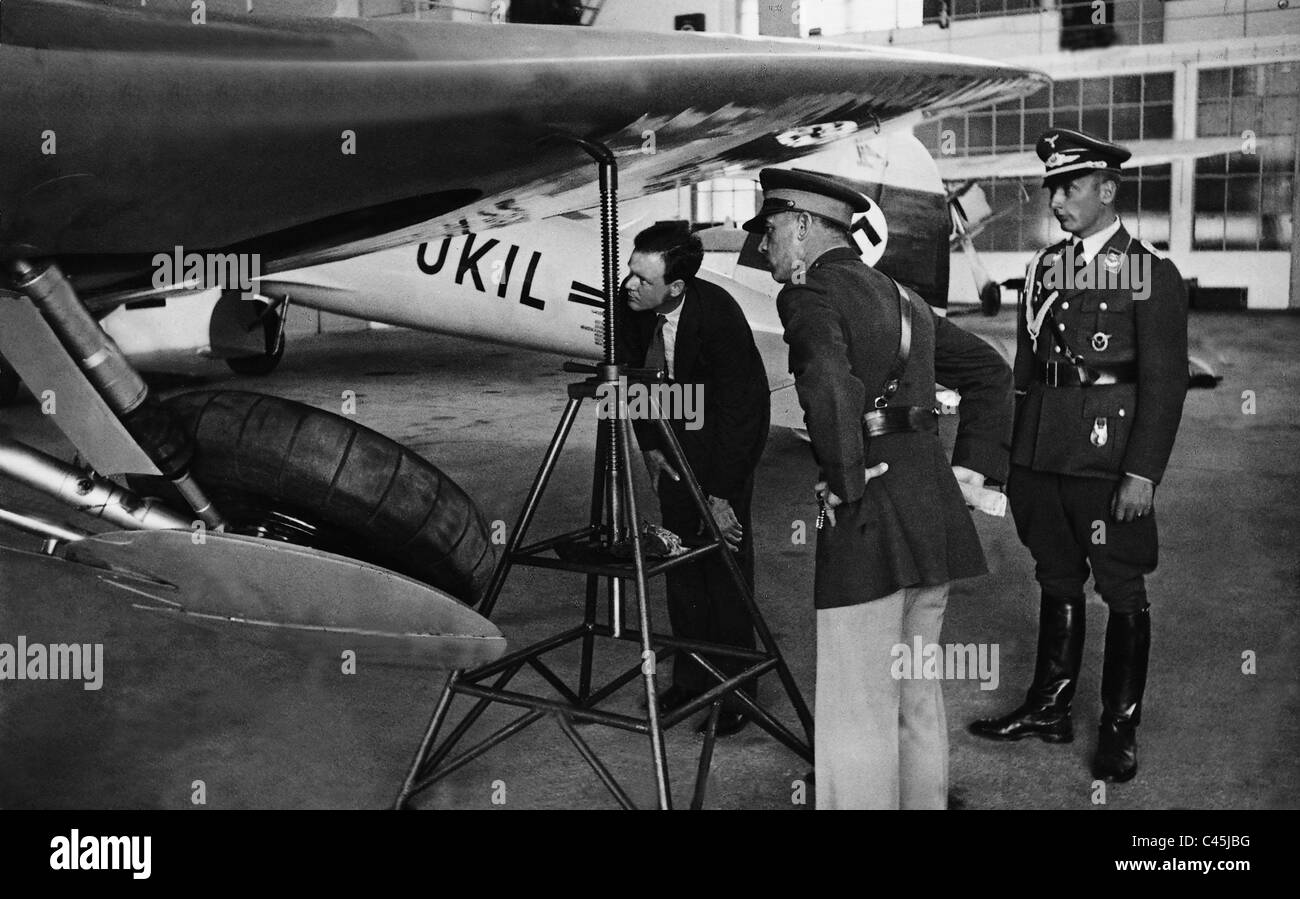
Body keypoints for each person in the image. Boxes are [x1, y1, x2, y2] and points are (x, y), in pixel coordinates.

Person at [745, 169, 1012, 808]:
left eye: (771, 230)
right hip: (933, 516)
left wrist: (844, 477)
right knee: (915, 699)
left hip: (869, 519)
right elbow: (990, 373)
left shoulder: (810, 295)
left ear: (804, 227)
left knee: (857, 710)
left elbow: (826, 382)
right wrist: (970, 470)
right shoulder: (904, 298)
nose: (764, 250)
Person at [968, 128, 1188, 784]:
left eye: (1071, 186)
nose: (1057, 199)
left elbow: (1165, 381)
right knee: (1056, 575)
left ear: (1108, 190)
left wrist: (1143, 472)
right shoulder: (1044, 268)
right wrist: (1011, 460)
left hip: (1107, 456)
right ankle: (1049, 707)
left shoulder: (1151, 272)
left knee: (1120, 585)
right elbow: (1024, 373)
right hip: (1043, 451)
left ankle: (1119, 724)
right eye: (1052, 188)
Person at [616, 221, 771, 737]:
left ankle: (736, 690)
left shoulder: (719, 315)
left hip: (722, 448)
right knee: (681, 561)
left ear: (676, 288)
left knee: (724, 569)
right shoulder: (632, 304)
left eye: (643, 279)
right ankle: (691, 675)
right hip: (672, 445)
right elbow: (629, 375)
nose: (630, 285)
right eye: (630, 273)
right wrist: (650, 446)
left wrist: (722, 495)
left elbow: (744, 409)